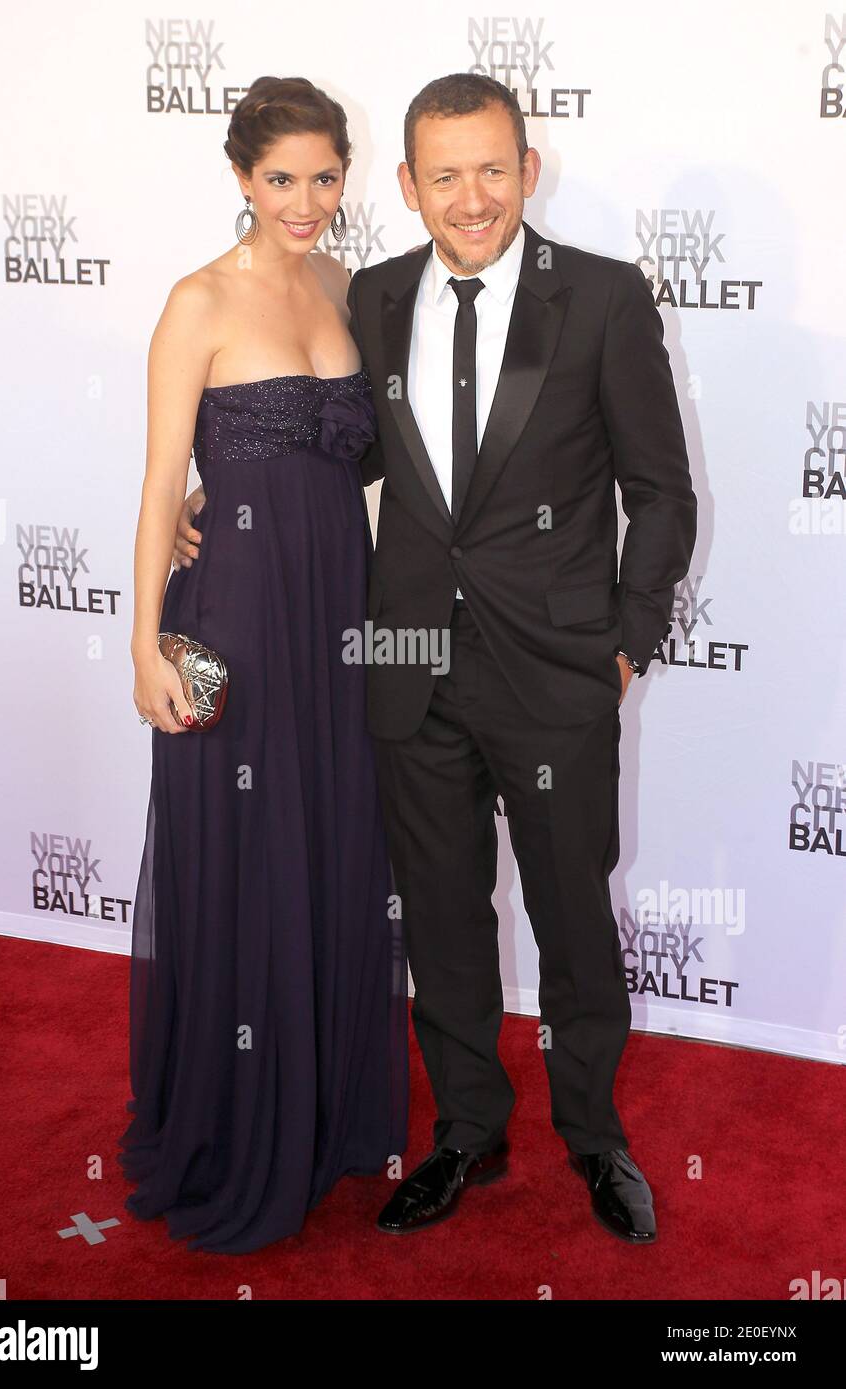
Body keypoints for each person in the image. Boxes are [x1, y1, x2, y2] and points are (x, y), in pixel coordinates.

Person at [175, 73, 697, 1245]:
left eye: (492, 169)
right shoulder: (372, 294)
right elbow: (340, 446)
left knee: (571, 918)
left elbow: (659, 494)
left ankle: (594, 1138)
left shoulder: (603, 299)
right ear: (406, 185)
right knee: (445, 918)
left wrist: (626, 640)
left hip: (556, 670)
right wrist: (212, 491)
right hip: (404, 657)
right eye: (443, 174)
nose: (471, 197)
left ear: (527, 167)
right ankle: (466, 1130)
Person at [119, 75, 407, 1255]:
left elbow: (354, 459)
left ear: (347, 175)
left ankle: (331, 1111)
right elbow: (154, 485)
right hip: (238, 615)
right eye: (280, 178)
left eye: (324, 177)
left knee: (335, 842)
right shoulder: (198, 300)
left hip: (339, 607)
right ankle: (238, 1124)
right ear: (241, 177)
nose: (304, 200)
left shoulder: (346, 286)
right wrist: (143, 645)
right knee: (250, 849)